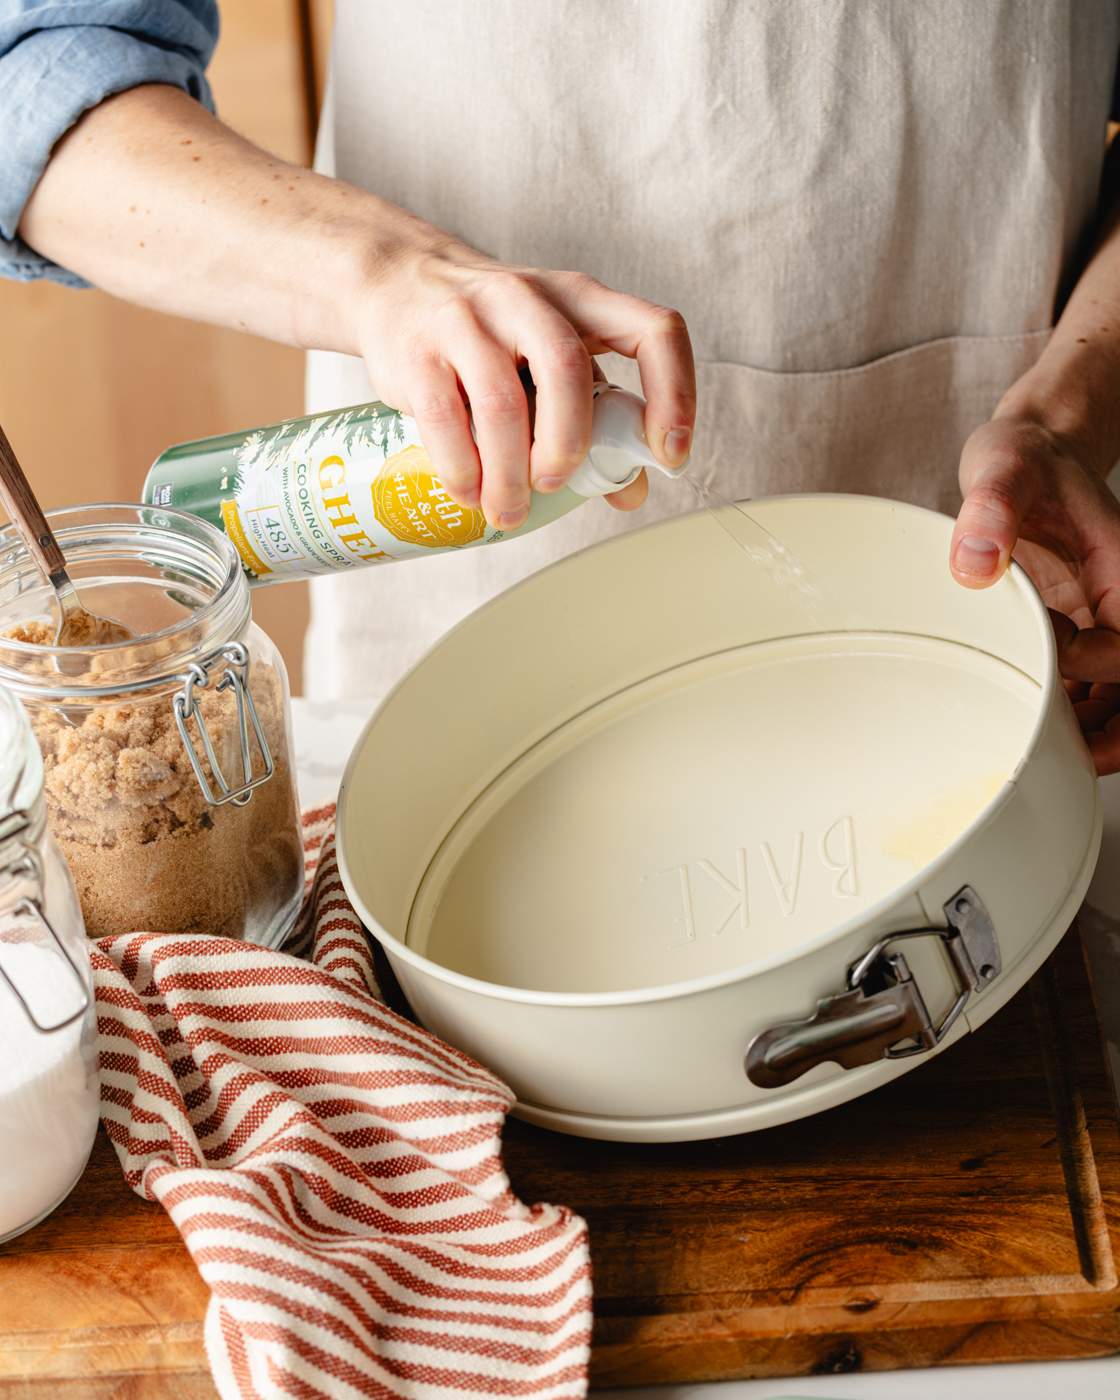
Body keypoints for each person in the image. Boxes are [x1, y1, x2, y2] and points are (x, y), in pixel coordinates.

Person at [3, 2, 1120, 770]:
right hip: (466, 576)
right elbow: (35, 70)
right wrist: (381, 271)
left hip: (987, 557)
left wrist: (1067, 411)